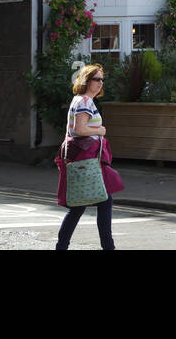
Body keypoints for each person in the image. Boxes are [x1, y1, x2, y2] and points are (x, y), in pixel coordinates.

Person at [55, 63, 124, 250]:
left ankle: (61, 247)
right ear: (86, 81)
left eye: (102, 79)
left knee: (78, 207)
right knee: (104, 200)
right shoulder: (84, 101)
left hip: (84, 161)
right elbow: (79, 130)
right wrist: (100, 130)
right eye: (97, 79)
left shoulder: (80, 100)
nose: (101, 83)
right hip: (88, 161)